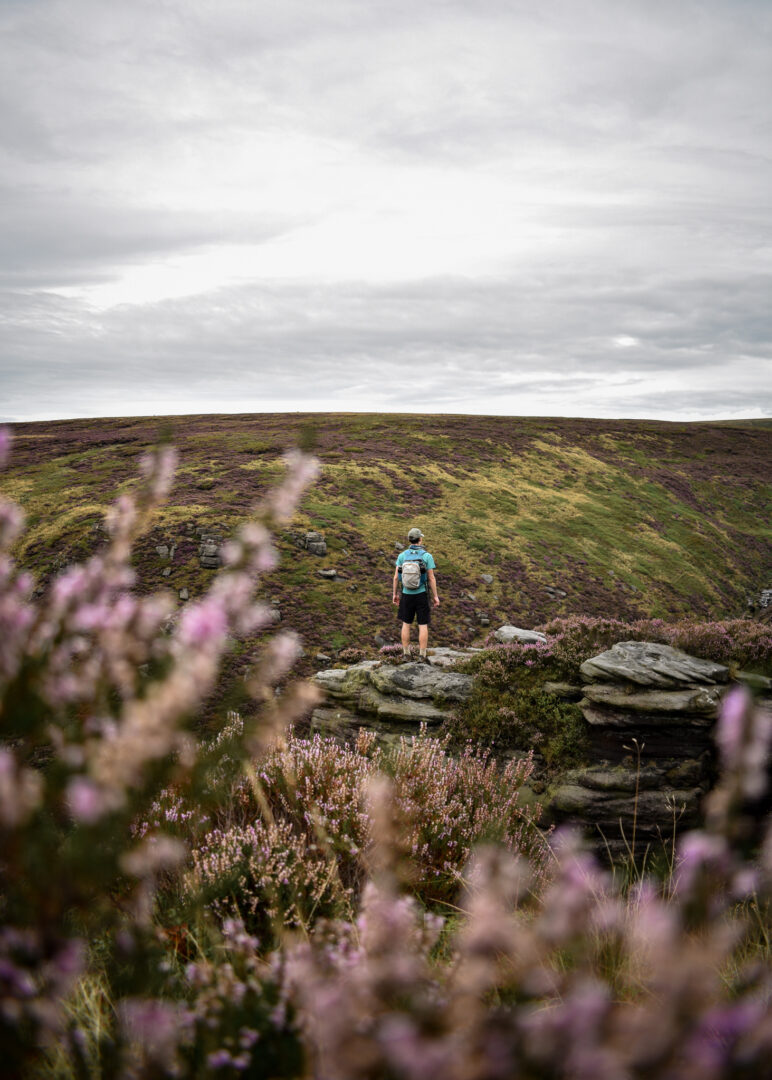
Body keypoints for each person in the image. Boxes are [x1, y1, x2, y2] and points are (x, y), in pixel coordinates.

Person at [392, 527, 439, 661]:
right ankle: (422, 656)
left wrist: (395, 594)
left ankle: (406, 654)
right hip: (421, 594)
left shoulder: (402, 556)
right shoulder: (426, 556)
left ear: (409, 540)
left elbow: (396, 577)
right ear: (420, 539)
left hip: (406, 594)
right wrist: (435, 596)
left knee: (406, 624)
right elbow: (431, 578)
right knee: (422, 624)